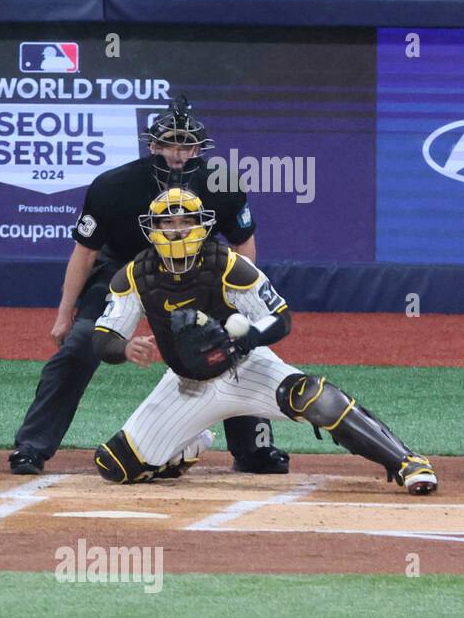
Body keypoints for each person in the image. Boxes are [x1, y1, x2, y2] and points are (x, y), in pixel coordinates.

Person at [90, 187, 437, 496]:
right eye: (168, 222)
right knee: (115, 466)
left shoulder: (229, 265)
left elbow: (280, 318)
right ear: (154, 228)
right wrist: (125, 348)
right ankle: (188, 446)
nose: (178, 228)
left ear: (201, 224)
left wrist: (245, 340)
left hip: (245, 368)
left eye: (186, 220)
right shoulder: (135, 275)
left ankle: (407, 461)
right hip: (186, 384)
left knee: (315, 397)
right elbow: (103, 338)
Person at [9, 97, 290, 476]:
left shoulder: (221, 184)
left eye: (188, 145)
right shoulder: (114, 185)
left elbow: (243, 243)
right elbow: (85, 253)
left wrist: (240, 299)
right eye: (172, 143)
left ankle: (255, 449)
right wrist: (64, 315)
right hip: (123, 272)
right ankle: (32, 447)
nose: (179, 153)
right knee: (79, 343)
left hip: (200, 272)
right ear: (153, 145)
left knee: (232, 343)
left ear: (199, 148)